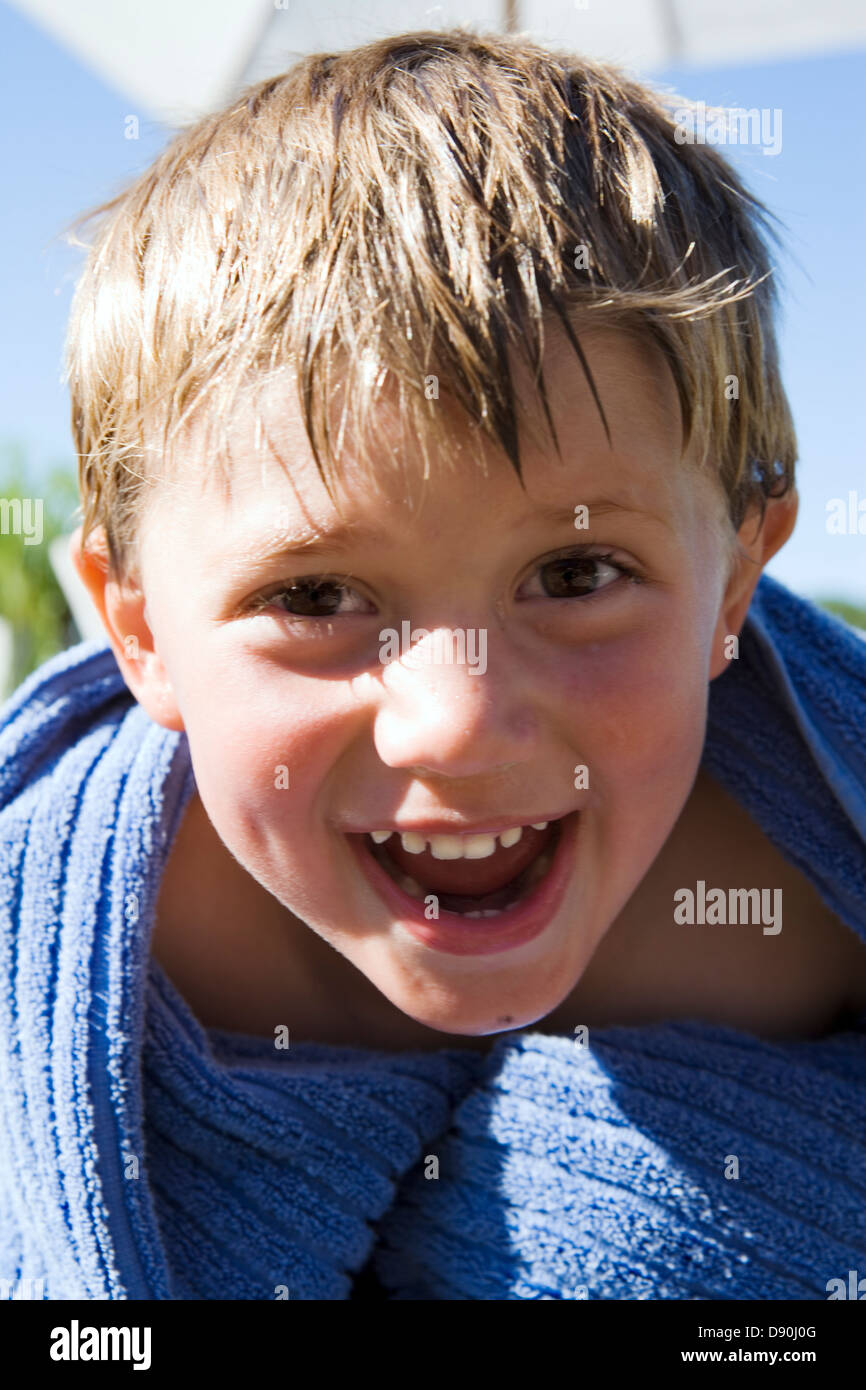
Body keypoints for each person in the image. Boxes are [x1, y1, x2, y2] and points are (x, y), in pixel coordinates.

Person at [2, 28, 865, 1301]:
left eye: (573, 577)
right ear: (137, 633)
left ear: (736, 579)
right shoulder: (113, 966)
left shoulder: (788, 907)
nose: (457, 726)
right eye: (313, 596)